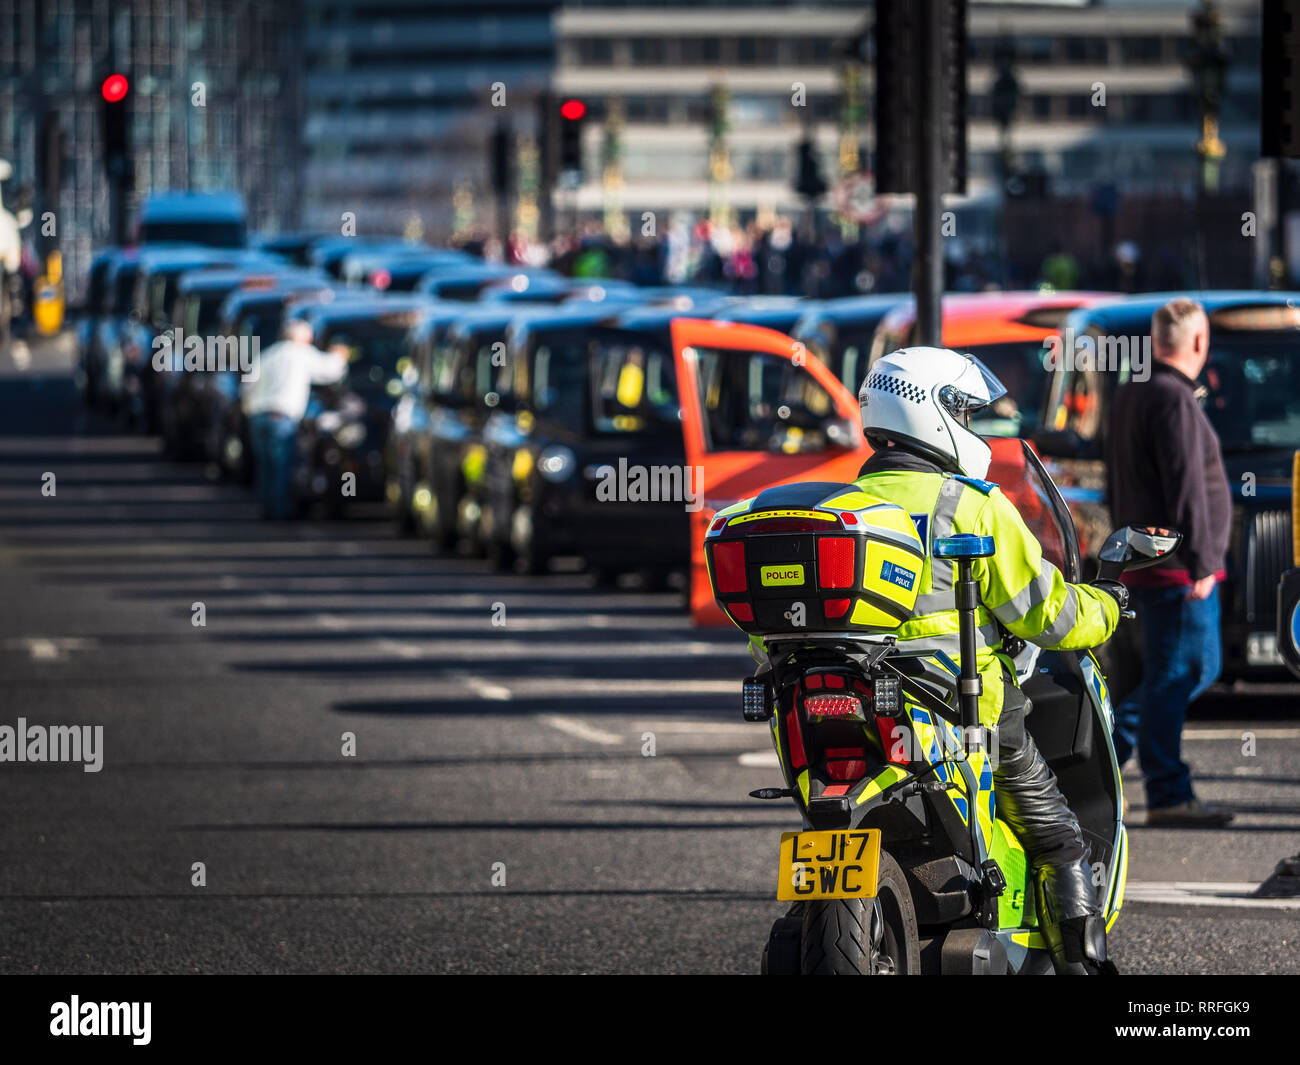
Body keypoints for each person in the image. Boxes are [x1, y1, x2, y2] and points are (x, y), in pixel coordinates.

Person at [855, 346, 1125, 975]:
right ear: (935, 413)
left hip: (862, 709)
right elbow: (1049, 616)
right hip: (966, 714)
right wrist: (1109, 606)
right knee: (1059, 837)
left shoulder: (845, 508)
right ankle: (1083, 967)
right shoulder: (971, 505)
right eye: (967, 412)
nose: (974, 427)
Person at [1105, 299, 1233, 827]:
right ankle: (1166, 790)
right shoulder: (1174, 399)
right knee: (1186, 670)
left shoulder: (1134, 391)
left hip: (1146, 561)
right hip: (1177, 566)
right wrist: (1201, 560)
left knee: (1162, 675)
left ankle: (1102, 764)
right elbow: (1187, 490)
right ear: (1198, 342)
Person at [240, 320, 348, 520]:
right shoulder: (300, 353)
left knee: (265, 466)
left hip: (258, 416)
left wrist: (249, 410)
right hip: (281, 417)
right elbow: (329, 370)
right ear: (301, 338)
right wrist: (341, 355)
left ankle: (266, 508)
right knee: (281, 465)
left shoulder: (267, 354)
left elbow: (247, 385)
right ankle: (279, 512)